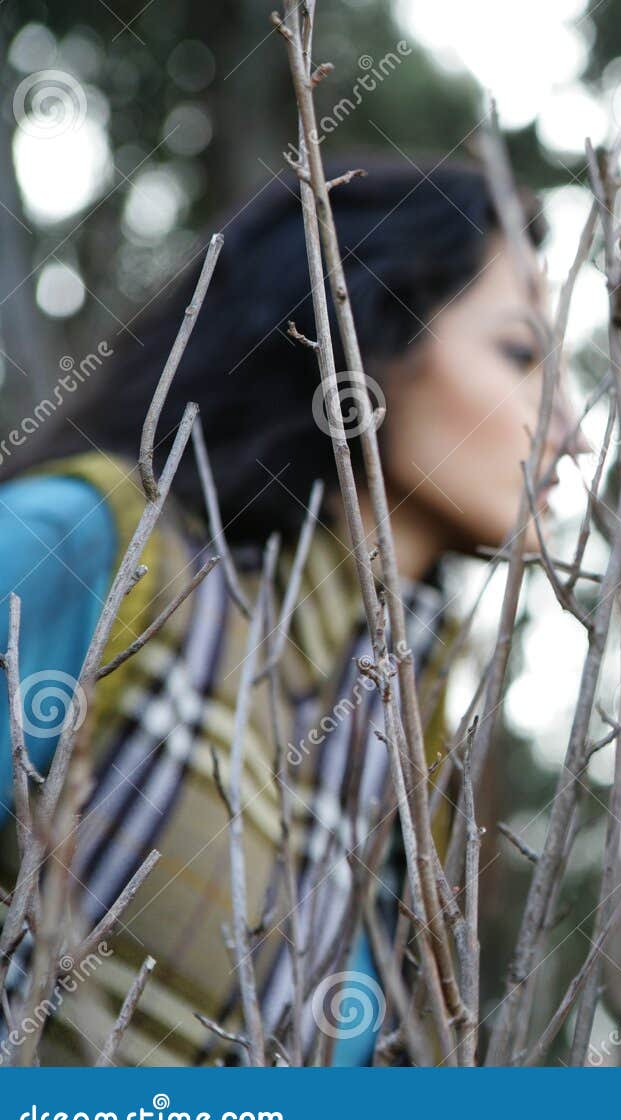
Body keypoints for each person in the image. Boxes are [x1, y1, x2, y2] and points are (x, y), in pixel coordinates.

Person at [0, 159, 585, 1065]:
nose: (572, 429)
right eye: (519, 354)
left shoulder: (407, 746)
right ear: (361, 336)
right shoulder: (87, 548)